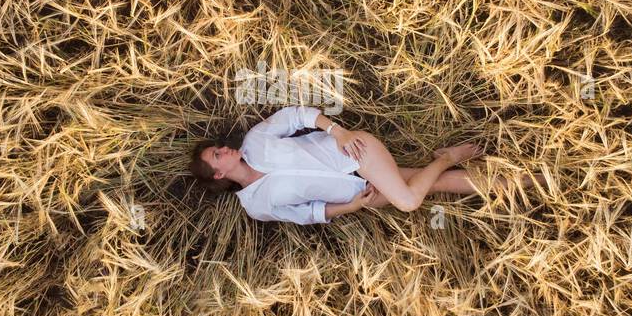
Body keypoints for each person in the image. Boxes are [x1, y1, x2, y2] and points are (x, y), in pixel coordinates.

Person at [189, 105, 486, 225]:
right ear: (219, 174)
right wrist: (352, 207)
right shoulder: (256, 206)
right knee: (436, 184)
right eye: (218, 155)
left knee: (408, 201)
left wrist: (338, 132)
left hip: (354, 153)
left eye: (218, 148)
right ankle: (527, 181)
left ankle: (448, 157)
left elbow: (297, 116)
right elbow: (308, 214)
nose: (225, 149)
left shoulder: (256, 140)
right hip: (359, 192)